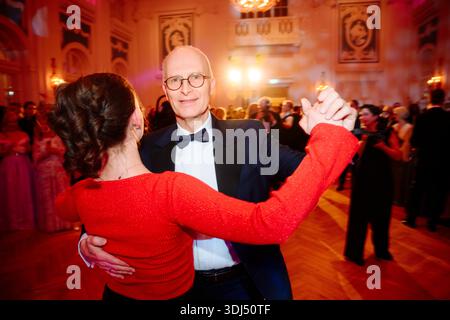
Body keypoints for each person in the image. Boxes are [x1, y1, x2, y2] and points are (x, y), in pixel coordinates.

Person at [79, 46, 356, 300]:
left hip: (244, 282)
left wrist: (327, 132)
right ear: (166, 88)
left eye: (196, 77)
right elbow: (107, 198)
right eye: (175, 80)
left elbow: (308, 171)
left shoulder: (247, 136)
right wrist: (85, 244)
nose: (186, 88)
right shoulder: (148, 148)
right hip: (176, 289)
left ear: (212, 83)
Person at [344, 105, 402, 266]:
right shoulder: (360, 133)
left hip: (382, 181)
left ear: (376, 116)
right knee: (358, 218)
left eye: (366, 114)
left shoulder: (388, 132)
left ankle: (382, 251)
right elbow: (358, 156)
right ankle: (354, 254)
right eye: (361, 115)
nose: (362, 117)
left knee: (382, 218)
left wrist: (383, 147)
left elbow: (398, 155)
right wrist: (361, 142)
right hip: (362, 181)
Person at [404, 88, 450, 231]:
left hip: (424, 160)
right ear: (443, 100)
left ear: (430, 98)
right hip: (444, 162)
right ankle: (433, 222)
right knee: (438, 192)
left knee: (418, 190)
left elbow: (415, 141)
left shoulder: (423, 117)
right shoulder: (448, 118)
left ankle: (411, 219)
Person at [0, 110, 36, 231]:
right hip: (9, 165)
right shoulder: (2, 135)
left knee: (24, 190)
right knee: (10, 192)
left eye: (14, 121)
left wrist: (25, 150)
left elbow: (30, 149)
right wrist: (9, 149)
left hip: (23, 163)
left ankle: (26, 220)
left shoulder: (23, 134)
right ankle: (12, 221)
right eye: (10, 121)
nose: (12, 123)